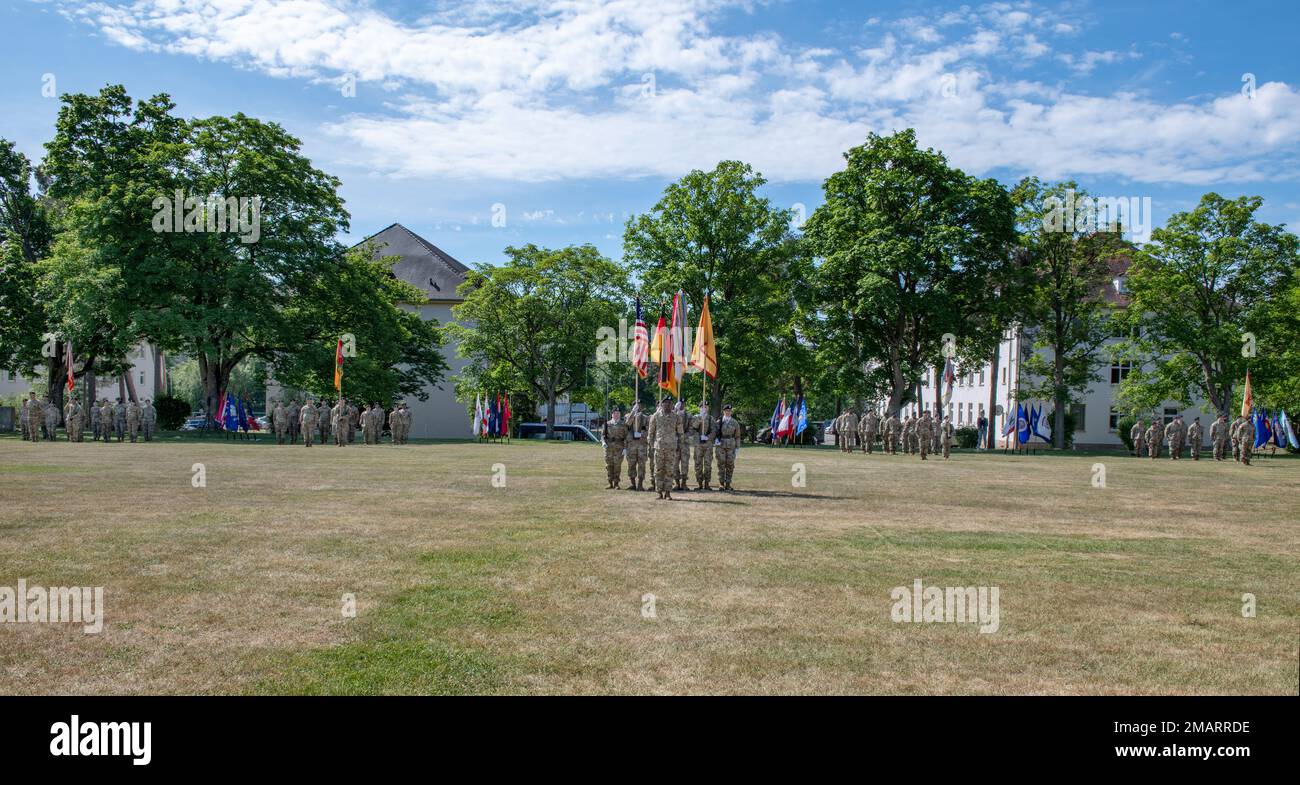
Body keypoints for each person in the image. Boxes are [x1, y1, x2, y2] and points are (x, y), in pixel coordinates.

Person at [647, 398, 683, 500]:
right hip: (659, 447)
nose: (667, 405)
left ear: (672, 405)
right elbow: (651, 432)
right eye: (665, 403)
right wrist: (651, 445)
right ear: (661, 404)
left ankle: (667, 492)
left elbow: (680, 433)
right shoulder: (656, 416)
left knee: (669, 470)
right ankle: (659, 492)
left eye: (669, 403)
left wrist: (680, 445)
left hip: (671, 448)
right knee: (658, 470)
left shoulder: (676, 417)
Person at [688, 401, 716, 490]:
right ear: (699, 408)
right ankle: (699, 483)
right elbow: (692, 430)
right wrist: (700, 419)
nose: (704, 409)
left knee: (708, 464)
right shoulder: (695, 417)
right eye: (702, 407)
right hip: (698, 445)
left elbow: (714, 431)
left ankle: (707, 483)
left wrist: (707, 437)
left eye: (706, 407)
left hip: (708, 445)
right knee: (698, 464)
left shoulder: (711, 418)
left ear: (708, 408)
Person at [715, 404, 742, 490]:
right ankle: (721, 483)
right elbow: (715, 433)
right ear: (724, 411)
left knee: (730, 464)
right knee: (721, 464)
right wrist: (715, 440)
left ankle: (728, 483)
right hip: (721, 445)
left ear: (731, 412)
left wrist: (737, 447)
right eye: (726, 411)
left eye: (729, 411)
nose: (728, 412)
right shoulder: (719, 422)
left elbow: (737, 436)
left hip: (731, 445)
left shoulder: (735, 422)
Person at [601, 406, 628, 489]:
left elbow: (627, 437)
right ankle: (610, 483)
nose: (616, 415)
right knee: (609, 465)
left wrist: (625, 448)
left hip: (619, 447)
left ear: (620, 414)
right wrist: (603, 442)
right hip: (609, 447)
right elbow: (602, 435)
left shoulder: (623, 424)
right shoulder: (607, 424)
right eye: (615, 413)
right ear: (612, 414)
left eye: (618, 413)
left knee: (617, 466)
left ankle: (616, 483)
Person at [625, 402, 649, 491]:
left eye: (639, 405)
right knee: (631, 464)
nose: (637, 406)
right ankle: (633, 484)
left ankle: (640, 484)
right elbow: (627, 424)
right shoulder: (628, 415)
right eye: (635, 405)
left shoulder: (646, 418)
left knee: (642, 465)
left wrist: (641, 434)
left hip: (642, 444)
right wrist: (633, 412)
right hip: (631, 445)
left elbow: (649, 430)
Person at [674, 400, 690, 491]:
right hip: (675, 443)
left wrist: (682, 436)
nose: (681, 405)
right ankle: (677, 483)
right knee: (675, 464)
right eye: (680, 404)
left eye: (683, 404)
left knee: (685, 464)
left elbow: (691, 429)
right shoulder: (673, 415)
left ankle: (684, 483)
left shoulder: (689, 416)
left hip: (684, 444)